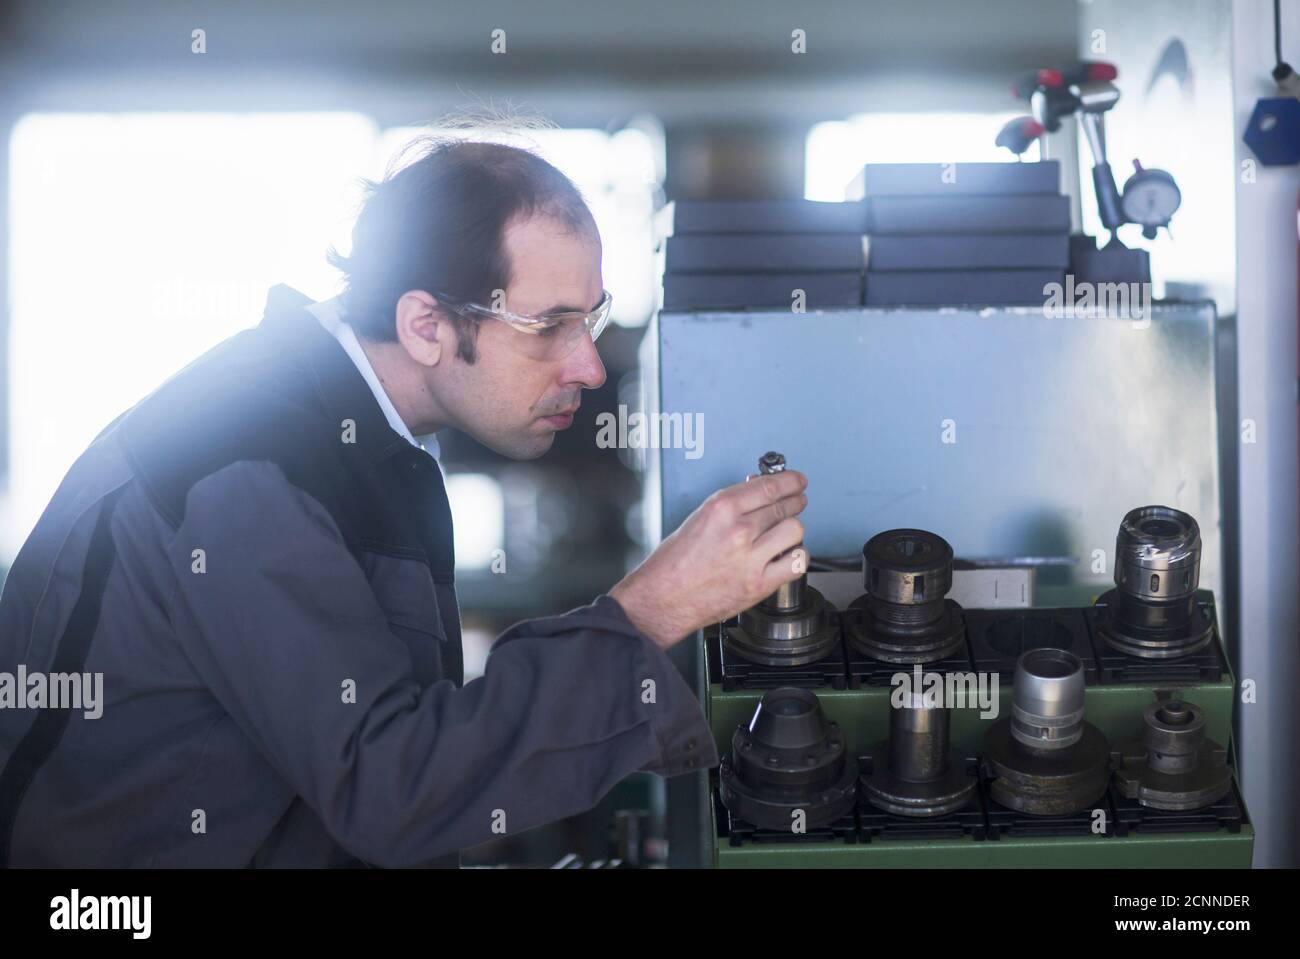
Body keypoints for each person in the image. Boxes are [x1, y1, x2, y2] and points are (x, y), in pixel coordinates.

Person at [0, 136, 808, 867]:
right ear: (425, 324)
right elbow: (388, 783)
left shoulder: (365, 439)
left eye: (589, 319)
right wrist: (647, 612)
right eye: (549, 326)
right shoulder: (246, 470)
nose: (590, 369)